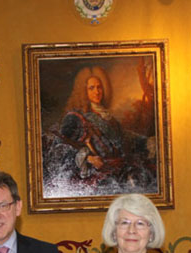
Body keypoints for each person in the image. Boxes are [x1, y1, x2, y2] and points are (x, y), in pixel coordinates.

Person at [42, 66, 156, 196]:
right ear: (83, 91)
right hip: (97, 177)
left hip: (119, 170)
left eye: (99, 87)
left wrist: (147, 141)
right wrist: (88, 158)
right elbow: (59, 148)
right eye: (91, 88)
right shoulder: (74, 117)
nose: (97, 92)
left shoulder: (107, 116)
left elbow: (124, 136)